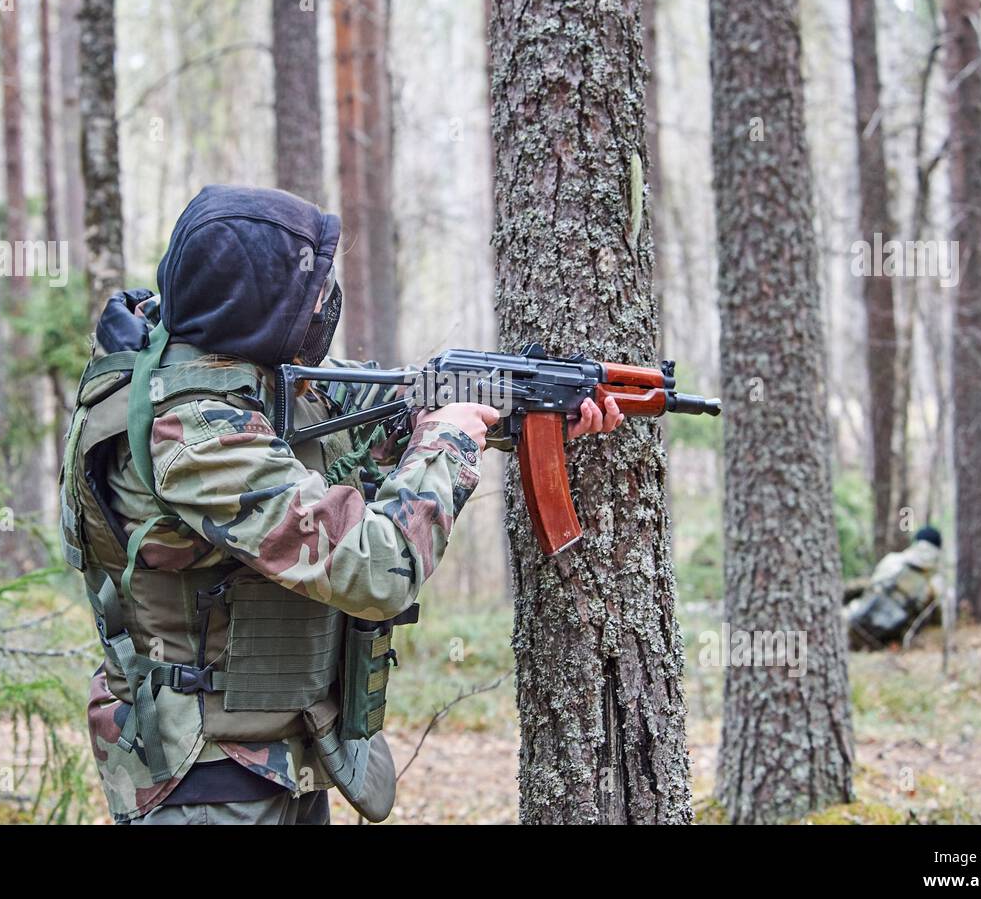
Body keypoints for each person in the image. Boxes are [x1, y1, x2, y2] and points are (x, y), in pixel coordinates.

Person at [59, 186, 622, 824]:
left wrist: (522, 407)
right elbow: (377, 570)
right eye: (312, 289)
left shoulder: (243, 375)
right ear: (256, 302)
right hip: (203, 772)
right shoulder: (191, 429)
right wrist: (452, 438)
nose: (325, 304)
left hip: (277, 752)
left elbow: (367, 416)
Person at [845, 526, 945, 650]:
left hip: (854, 624)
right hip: (883, 642)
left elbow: (870, 585)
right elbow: (937, 622)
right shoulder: (934, 582)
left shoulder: (893, 560)